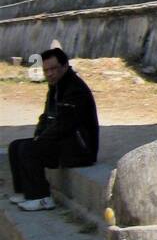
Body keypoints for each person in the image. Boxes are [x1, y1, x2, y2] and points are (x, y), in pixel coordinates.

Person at [9, 48, 99, 212]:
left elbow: (64, 125)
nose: (49, 74)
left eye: (53, 69)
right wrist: (39, 134)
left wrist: (40, 141)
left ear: (65, 67)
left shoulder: (74, 89)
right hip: (64, 142)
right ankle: (26, 192)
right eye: (46, 70)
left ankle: (41, 198)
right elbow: (46, 117)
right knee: (15, 146)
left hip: (80, 149)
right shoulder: (56, 87)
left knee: (29, 149)